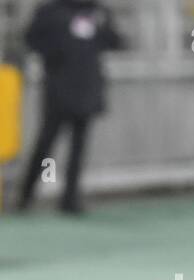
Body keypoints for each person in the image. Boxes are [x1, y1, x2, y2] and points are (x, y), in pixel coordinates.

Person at [18, 0, 123, 214]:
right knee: (46, 143)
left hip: (87, 88)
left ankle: (70, 199)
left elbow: (115, 42)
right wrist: (56, 53)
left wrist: (103, 27)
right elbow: (31, 39)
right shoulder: (49, 11)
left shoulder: (97, 12)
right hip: (58, 89)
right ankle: (25, 197)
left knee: (79, 147)